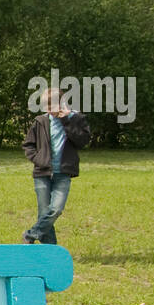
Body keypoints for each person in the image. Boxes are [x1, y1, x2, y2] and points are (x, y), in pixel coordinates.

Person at [21, 87, 90, 245]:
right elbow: (28, 145)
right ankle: (50, 250)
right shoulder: (40, 121)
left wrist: (66, 121)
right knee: (44, 213)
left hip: (63, 174)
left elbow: (82, 141)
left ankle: (30, 235)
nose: (49, 109)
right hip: (42, 173)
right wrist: (39, 159)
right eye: (46, 105)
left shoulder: (76, 119)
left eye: (52, 105)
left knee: (56, 209)